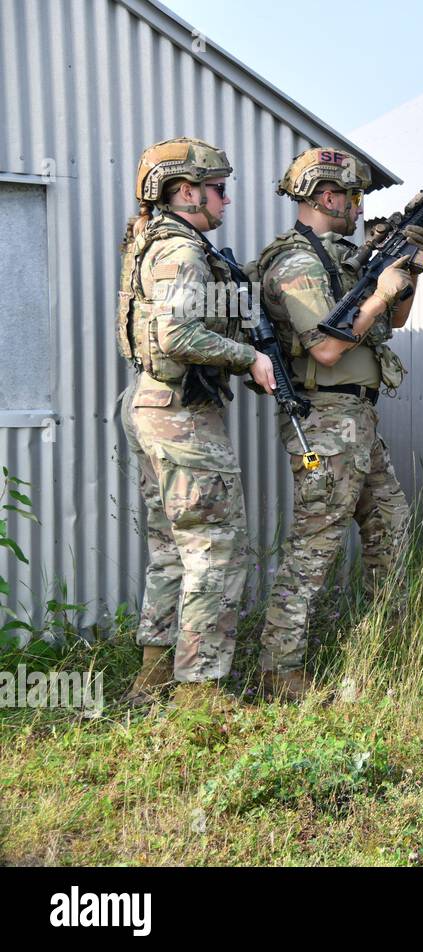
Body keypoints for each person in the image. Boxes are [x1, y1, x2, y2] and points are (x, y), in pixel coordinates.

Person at [254, 147, 423, 700]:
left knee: (391, 527)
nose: (357, 207)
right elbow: (326, 347)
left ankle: (387, 649)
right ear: (327, 196)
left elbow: (390, 319)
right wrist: (378, 294)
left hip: (358, 418)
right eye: (352, 196)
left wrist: (408, 271)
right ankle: (280, 671)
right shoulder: (298, 264)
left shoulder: (338, 257)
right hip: (326, 420)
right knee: (316, 545)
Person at [117, 137, 276, 709]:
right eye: (218, 189)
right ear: (186, 191)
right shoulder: (181, 252)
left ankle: (153, 680)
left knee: (169, 549)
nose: (225, 201)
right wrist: (250, 358)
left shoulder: (149, 244)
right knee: (215, 548)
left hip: (151, 406)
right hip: (182, 417)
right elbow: (177, 335)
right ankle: (199, 696)